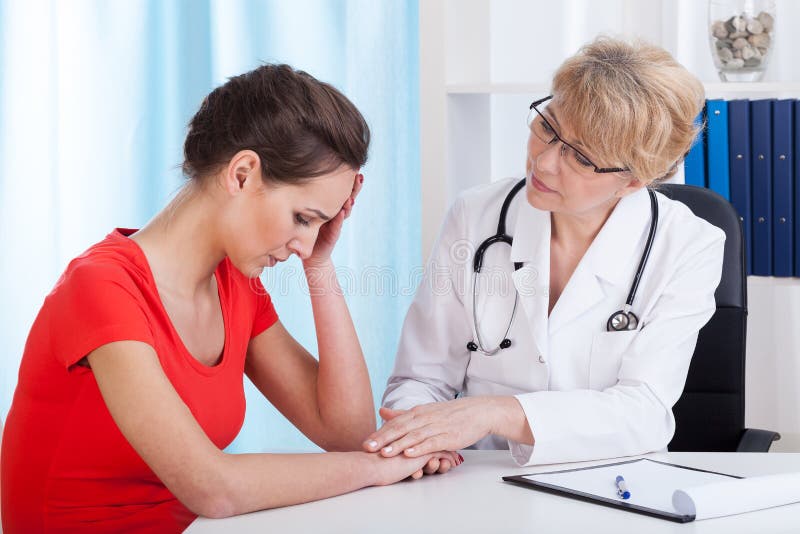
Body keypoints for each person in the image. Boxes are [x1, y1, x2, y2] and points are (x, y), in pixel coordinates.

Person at [0, 64, 458, 533]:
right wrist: (381, 468)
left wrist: (319, 264)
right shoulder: (101, 288)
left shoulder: (235, 284)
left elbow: (345, 433)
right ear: (242, 175)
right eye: (303, 218)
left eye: (320, 224)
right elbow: (213, 488)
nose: (305, 242)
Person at [363, 37, 725, 471]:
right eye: (548, 128)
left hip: (611, 479)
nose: (545, 161)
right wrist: (417, 438)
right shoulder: (476, 215)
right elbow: (421, 377)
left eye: (581, 158)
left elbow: (644, 411)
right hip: (474, 478)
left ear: (634, 180)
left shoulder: (688, 245)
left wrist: (498, 412)